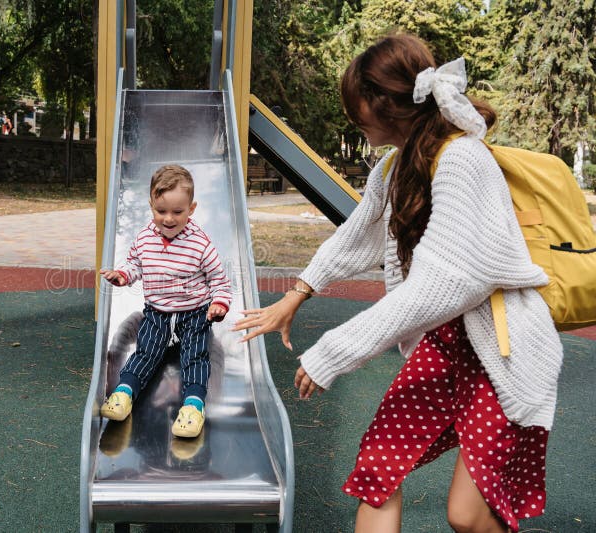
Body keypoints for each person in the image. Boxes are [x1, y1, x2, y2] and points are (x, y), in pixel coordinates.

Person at [233, 34, 562, 533]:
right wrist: (295, 295)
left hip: (502, 349)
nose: (353, 115)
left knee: (467, 516)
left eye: (357, 104)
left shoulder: (462, 161)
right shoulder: (394, 167)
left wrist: (335, 351)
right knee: (378, 471)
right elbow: (355, 239)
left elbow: (439, 285)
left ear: (385, 102)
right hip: (444, 344)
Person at [100, 164, 232, 439]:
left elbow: (220, 280)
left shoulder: (200, 244)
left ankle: (193, 406)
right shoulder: (145, 238)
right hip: (157, 313)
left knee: (195, 357)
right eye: (161, 211)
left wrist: (219, 304)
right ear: (151, 206)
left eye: (177, 212)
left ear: (192, 209)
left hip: (194, 314)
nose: (168, 219)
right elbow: (135, 264)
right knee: (145, 353)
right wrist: (123, 276)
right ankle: (124, 393)